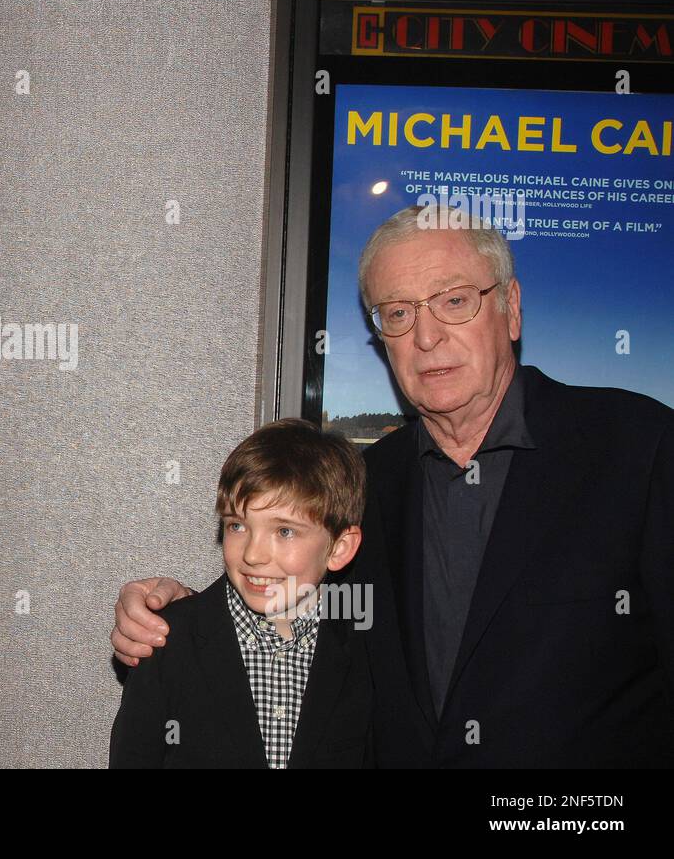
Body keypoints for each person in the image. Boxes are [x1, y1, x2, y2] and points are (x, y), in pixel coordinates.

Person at [111, 204, 674, 767]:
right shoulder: (365, 482)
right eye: (398, 313)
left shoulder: (639, 448)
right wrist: (174, 613)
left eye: (454, 301)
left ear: (511, 308)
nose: (426, 336)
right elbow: (294, 587)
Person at [110, 419, 371, 768]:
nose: (252, 554)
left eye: (284, 531)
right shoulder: (167, 644)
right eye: (237, 525)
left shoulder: (366, 648)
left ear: (339, 548)